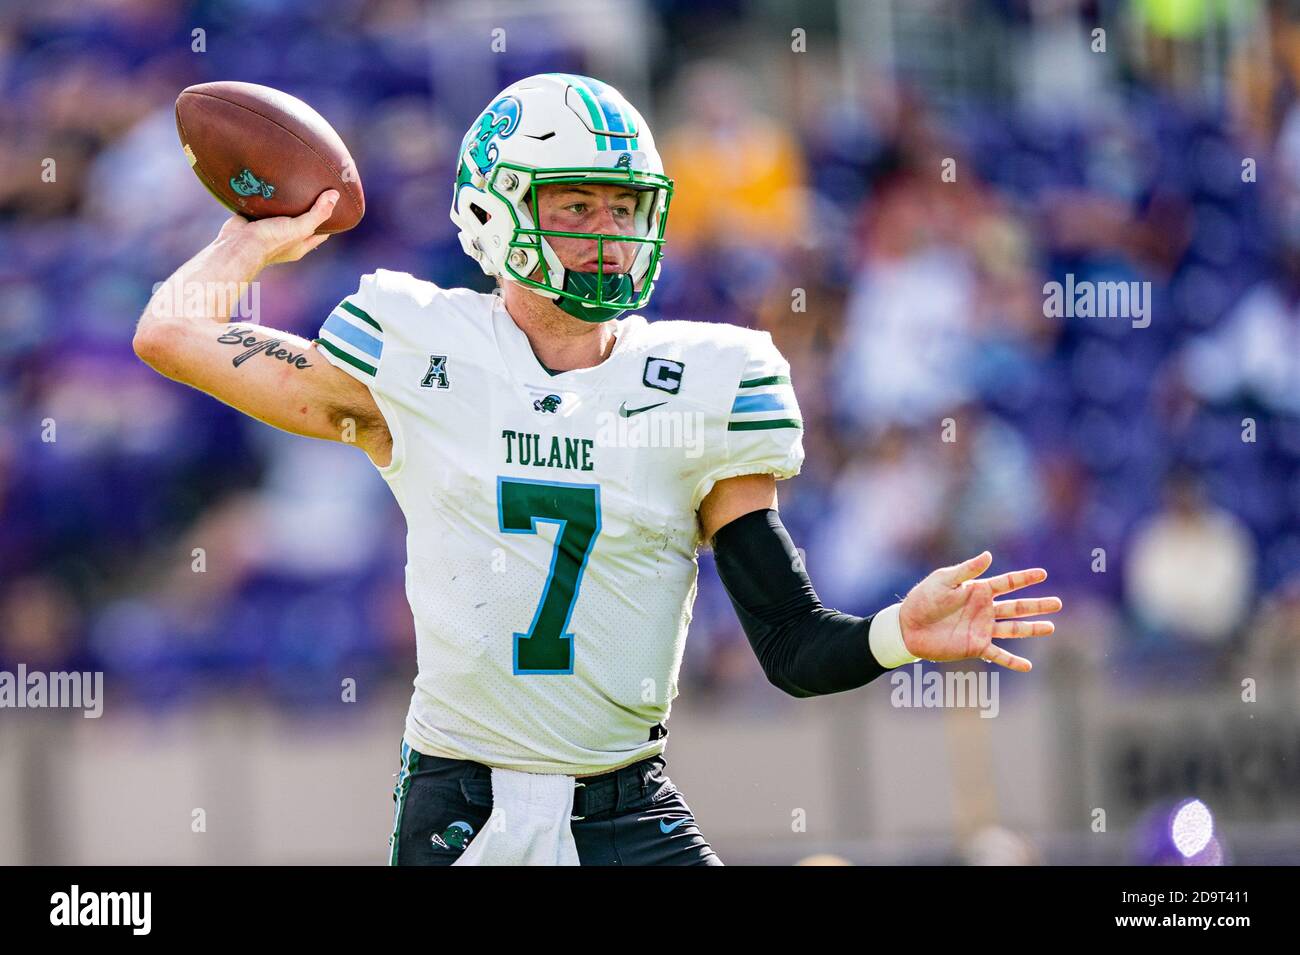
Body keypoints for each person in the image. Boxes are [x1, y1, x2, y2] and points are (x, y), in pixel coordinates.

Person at [133, 73, 1061, 866]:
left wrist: (899, 630)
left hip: (630, 807)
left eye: (624, 206)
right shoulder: (419, 348)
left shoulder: (709, 379)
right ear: (494, 212)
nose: (607, 232)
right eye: (574, 205)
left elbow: (789, 645)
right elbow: (170, 334)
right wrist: (257, 237)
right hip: (465, 804)